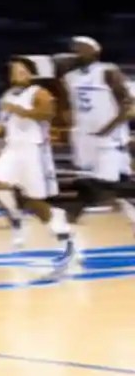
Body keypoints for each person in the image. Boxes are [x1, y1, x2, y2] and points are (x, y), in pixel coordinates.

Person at [0, 56, 75, 275]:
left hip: (34, 150)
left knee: (36, 201)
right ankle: (17, 218)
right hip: (12, 149)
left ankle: (65, 241)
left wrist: (19, 110)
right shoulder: (7, 96)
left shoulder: (39, 92)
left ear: (30, 73)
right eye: (13, 70)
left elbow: (47, 114)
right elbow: (1, 130)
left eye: (20, 69)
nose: (15, 73)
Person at [53, 36, 135, 234]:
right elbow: (68, 106)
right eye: (74, 47)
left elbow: (129, 106)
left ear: (95, 51)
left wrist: (109, 128)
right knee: (116, 181)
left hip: (110, 137)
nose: (76, 50)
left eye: (82, 47)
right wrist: (70, 126)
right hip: (84, 137)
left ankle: (71, 217)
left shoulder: (108, 71)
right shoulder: (69, 77)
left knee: (104, 181)